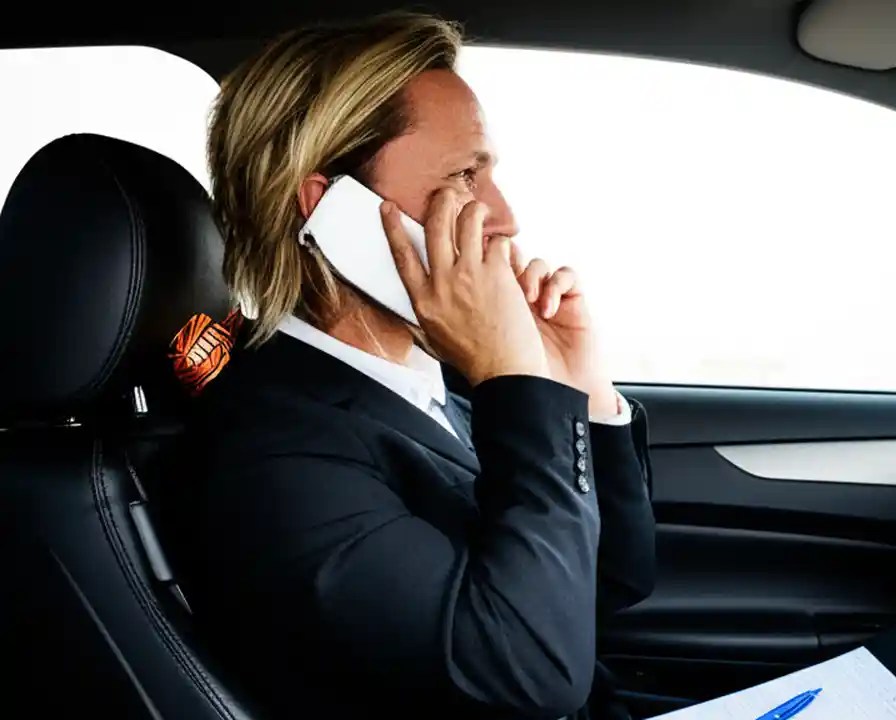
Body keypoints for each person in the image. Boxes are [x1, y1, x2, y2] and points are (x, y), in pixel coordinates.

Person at [158, 12, 655, 720]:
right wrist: (514, 383)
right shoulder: (274, 454)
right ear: (331, 207)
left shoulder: (423, 385)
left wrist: (576, 387)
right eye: (464, 176)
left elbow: (613, 582)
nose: (505, 216)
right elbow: (528, 681)